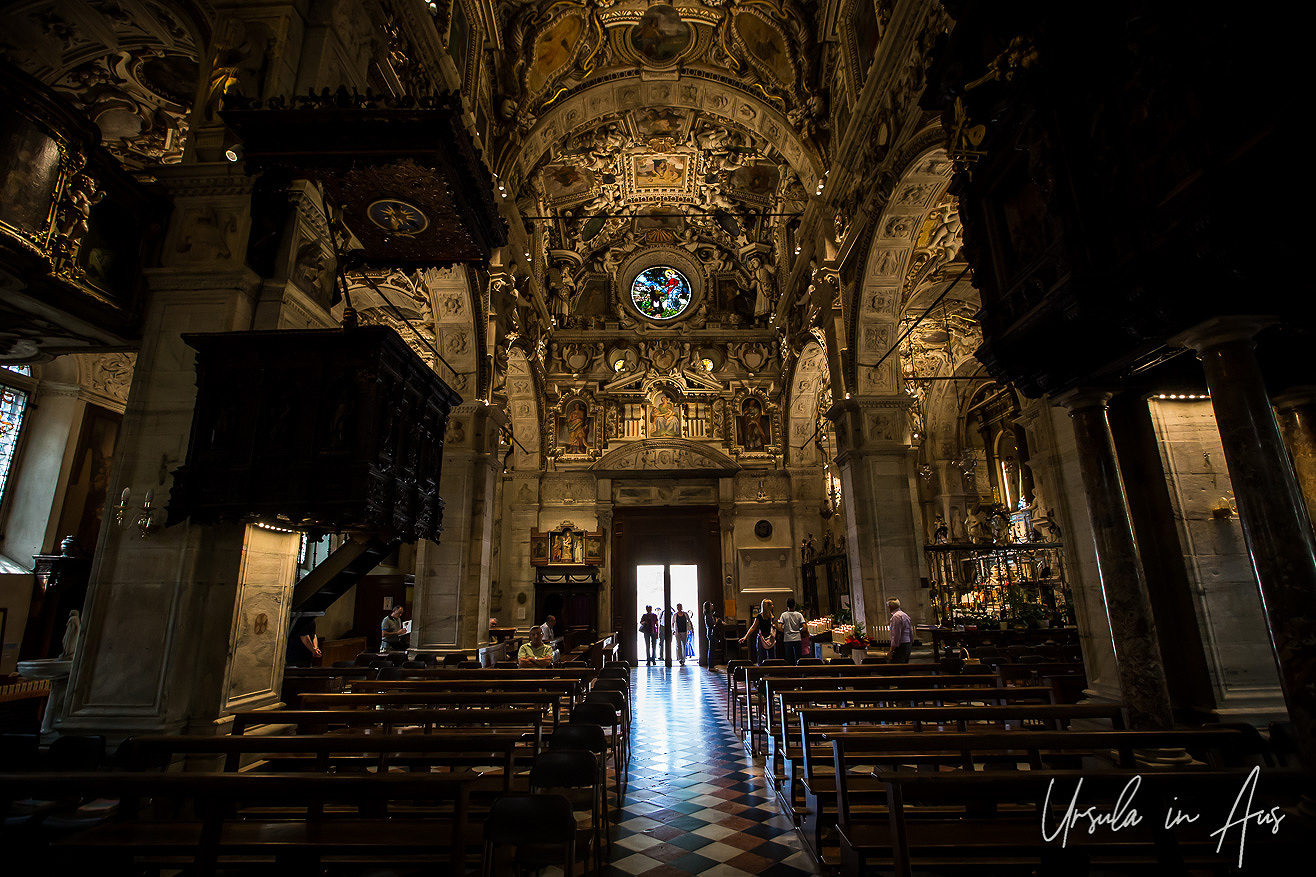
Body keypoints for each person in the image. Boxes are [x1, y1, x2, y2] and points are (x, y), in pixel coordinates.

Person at [738, 598, 777, 665]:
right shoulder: (759, 616)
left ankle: (771, 671)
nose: (773, 606)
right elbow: (753, 627)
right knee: (761, 656)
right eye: (771, 605)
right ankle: (761, 671)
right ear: (767, 606)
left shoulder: (771, 616)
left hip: (770, 638)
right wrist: (745, 637)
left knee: (772, 657)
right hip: (762, 638)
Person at [778, 598, 806, 665]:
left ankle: (791, 672)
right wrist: (799, 631)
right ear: (794, 605)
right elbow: (804, 627)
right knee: (798, 657)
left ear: (787, 605)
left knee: (789, 657)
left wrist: (785, 631)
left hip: (787, 639)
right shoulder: (799, 615)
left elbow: (779, 627)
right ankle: (799, 672)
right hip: (797, 638)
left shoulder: (784, 615)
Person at [888, 598, 913, 663]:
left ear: (890, 607)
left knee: (897, 667)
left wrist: (892, 649)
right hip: (907, 644)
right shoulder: (905, 615)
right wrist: (911, 642)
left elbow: (896, 634)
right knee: (904, 666)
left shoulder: (896, 617)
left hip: (900, 645)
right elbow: (911, 631)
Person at [702, 601, 721, 668]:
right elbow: (711, 624)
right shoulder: (708, 615)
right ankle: (711, 666)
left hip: (711, 633)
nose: (712, 605)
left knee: (712, 650)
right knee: (711, 650)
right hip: (711, 633)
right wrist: (716, 621)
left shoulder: (710, 614)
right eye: (711, 605)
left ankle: (711, 665)